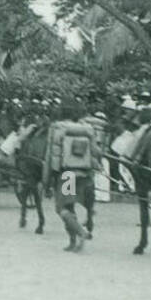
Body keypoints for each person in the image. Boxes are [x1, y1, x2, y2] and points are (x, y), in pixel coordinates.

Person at [43, 103, 100, 252]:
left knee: (63, 208)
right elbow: (95, 152)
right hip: (86, 174)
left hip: (68, 174)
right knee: (70, 208)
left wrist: (46, 181)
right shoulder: (87, 129)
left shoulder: (57, 129)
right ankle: (73, 241)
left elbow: (50, 156)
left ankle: (80, 233)